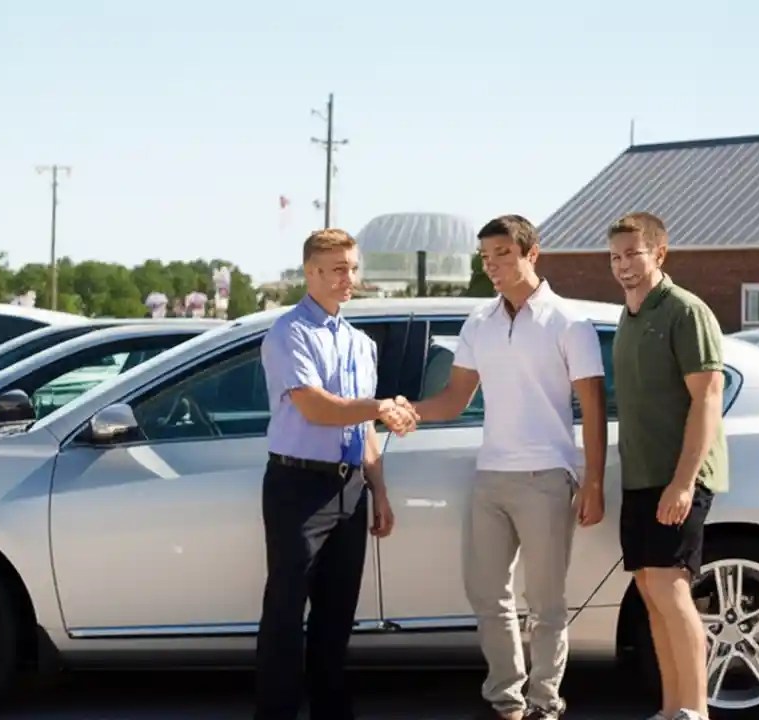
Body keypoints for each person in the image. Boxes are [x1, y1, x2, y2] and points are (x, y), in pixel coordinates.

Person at [413, 214, 608, 720]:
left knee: (545, 602)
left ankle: (546, 701)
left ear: (531, 253)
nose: (493, 266)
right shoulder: (479, 322)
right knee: (487, 595)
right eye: (485, 257)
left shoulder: (569, 322)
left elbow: (592, 405)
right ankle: (507, 699)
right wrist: (401, 411)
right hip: (491, 476)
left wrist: (593, 482)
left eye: (502, 254)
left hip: (547, 476)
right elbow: (455, 398)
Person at [254, 228, 416, 720]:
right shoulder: (289, 333)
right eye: (338, 268)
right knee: (285, 611)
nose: (349, 278)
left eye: (353, 267)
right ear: (311, 273)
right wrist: (382, 406)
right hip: (298, 486)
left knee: (337, 614)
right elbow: (317, 408)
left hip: (350, 488)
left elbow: (361, 426)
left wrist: (379, 489)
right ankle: (277, 712)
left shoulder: (359, 343)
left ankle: (330, 710)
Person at [607, 211, 728, 720]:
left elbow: (707, 399)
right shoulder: (629, 315)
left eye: (633, 254)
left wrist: (682, 483)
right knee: (649, 589)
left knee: (670, 586)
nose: (623, 266)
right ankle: (671, 707)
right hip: (640, 477)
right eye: (614, 257)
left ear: (659, 252)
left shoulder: (685, 311)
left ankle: (695, 711)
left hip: (678, 477)